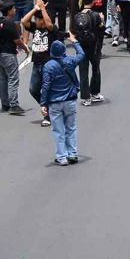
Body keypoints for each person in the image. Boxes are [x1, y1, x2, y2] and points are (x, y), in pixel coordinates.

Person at [40, 37, 85, 165]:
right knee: (71, 128)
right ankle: (73, 153)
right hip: (70, 100)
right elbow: (81, 55)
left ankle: (62, 156)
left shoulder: (48, 66)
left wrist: (43, 103)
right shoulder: (69, 61)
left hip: (55, 102)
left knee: (58, 130)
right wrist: (75, 42)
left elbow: (45, 85)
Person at [23, 0, 64, 127]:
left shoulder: (52, 30)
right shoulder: (34, 28)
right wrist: (36, 8)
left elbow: (49, 24)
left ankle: (47, 116)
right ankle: (47, 106)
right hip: (37, 64)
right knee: (33, 89)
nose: (36, 21)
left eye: (38, 19)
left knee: (48, 90)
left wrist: (44, 9)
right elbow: (24, 21)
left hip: (48, 65)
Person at [0, 0, 27, 115]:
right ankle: (14, 105)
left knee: (2, 78)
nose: (15, 10)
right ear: (9, 10)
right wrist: (26, 49)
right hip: (8, 54)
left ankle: (5, 103)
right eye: (13, 8)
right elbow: (17, 40)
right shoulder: (10, 23)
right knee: (13, 78)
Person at [72, 0, 106, 106]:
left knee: (83, 71)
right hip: (94, 46)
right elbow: (101, 29)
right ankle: (95, 93)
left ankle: (85, 97)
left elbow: (73, 30)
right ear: (93, 2)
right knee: (96, 69)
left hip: (81, 46)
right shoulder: (95, 15)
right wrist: (102, 19)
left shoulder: (77, 16)